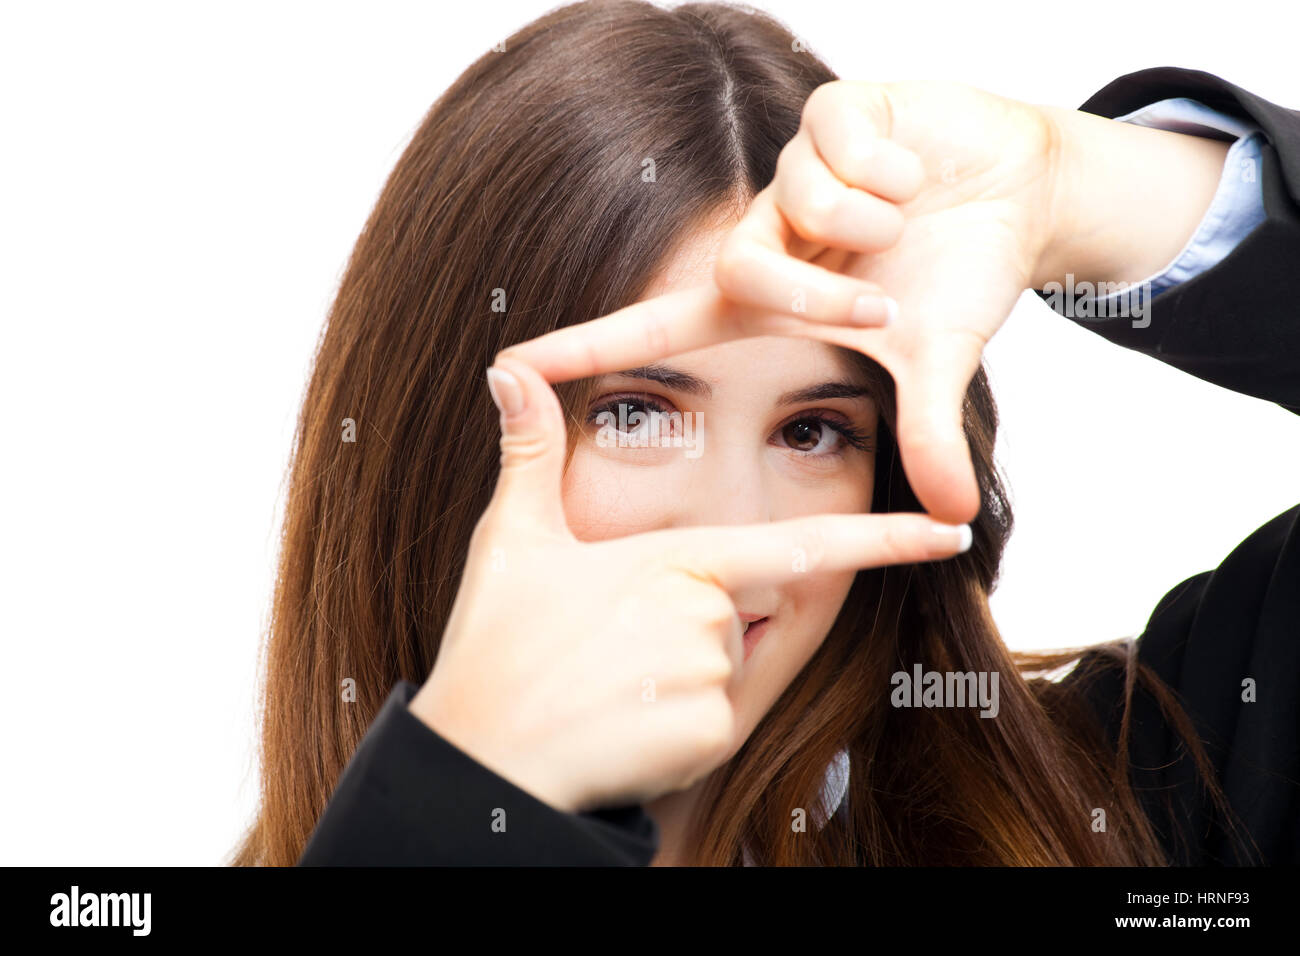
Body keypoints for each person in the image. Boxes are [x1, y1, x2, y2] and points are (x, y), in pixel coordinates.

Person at [230, 0, 1300, 866]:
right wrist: (459, 806)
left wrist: (1082, 189)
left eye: (813, 430)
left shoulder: (1137, 803)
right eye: (634, 412)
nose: (740, 529)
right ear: (440, 446)